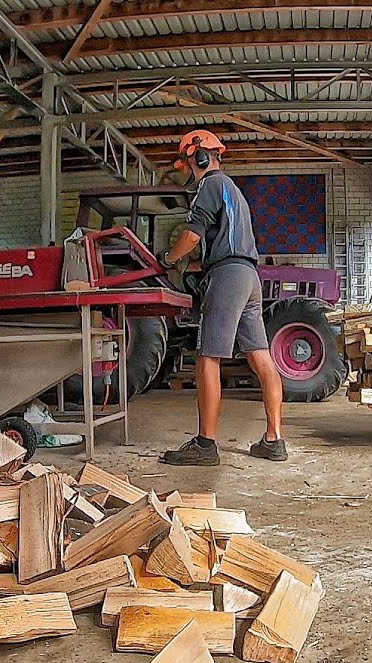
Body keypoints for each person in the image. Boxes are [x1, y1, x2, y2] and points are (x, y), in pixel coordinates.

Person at [157, 129, 287, 466]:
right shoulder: (234, 191)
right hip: (249, 277)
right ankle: (274, 440)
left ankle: (205, 445)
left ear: (199, 157)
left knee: (207, 357)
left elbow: (191, 235)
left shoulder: (210, 185)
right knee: (261, 357)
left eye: (186, 163)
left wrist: (169, 259)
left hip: (227, 276)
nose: (186, 170)